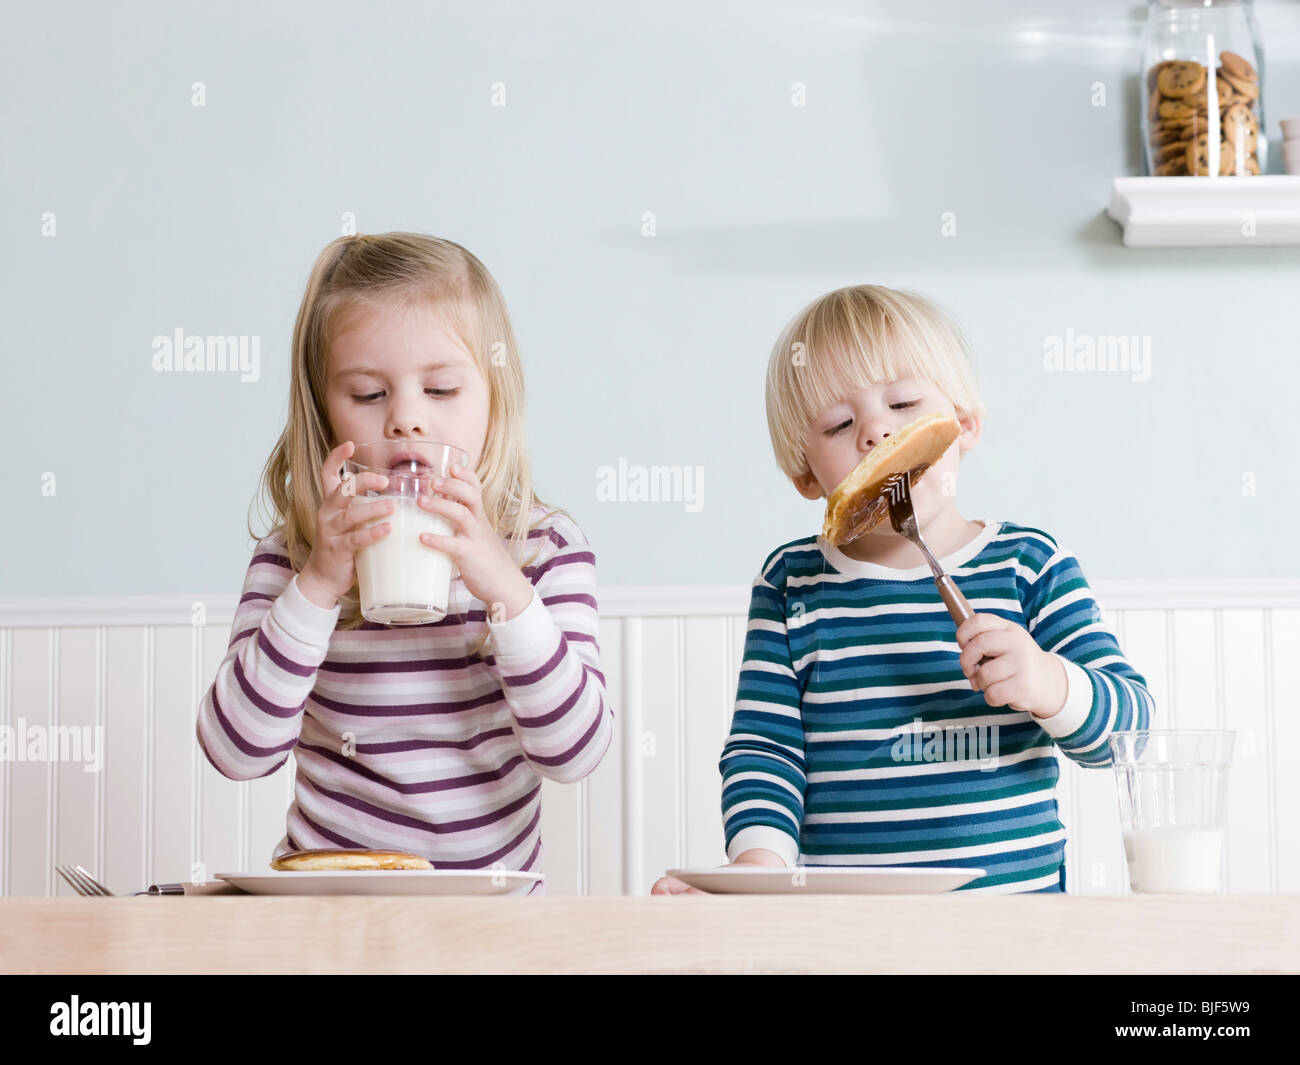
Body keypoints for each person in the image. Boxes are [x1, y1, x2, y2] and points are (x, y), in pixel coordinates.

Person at [653, 284, 1153, 895]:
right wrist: (760, 863)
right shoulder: (791, 583)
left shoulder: (1029, 564)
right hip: (852, 937)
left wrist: (1051, 684)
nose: (875, 433)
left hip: (1020, 930)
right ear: (807, 477)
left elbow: (1132, 734)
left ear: (963, 426)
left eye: (905, 403)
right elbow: (766, 749)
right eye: (840, 423)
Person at [197, 232, 612, 895]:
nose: (407, 421)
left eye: (442, 388)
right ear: (324, 411)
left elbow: (575, 751)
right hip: (331, 922)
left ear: (493, 398)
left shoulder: (542, 549)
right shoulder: (295, 556)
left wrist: (503, 587)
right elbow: (235, 751)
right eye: (368, 395)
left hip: (491, 925)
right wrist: (320, 585)